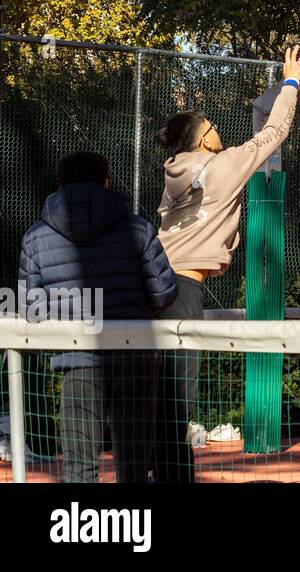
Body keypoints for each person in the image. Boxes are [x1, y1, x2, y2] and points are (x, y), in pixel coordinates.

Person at [153, 45, 300, 482]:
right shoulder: (223, 165)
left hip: (153, 280)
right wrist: (291, 81)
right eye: (214, 127)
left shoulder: (173, 174)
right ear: (204, 139)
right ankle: (171, 476)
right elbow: (273, 132)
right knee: (179, 392)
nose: (219, 131)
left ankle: (157, 469)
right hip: (181, 287)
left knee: (158, 388)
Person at [19, 151, 178, 482]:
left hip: (77, 360)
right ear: (106, 182)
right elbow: (164, 292)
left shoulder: (35, 238)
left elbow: (31, 311)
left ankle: (85, 531)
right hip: (136, 358)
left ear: (60, 184)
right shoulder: (138, 229)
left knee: (79, 468)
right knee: (134, 466)